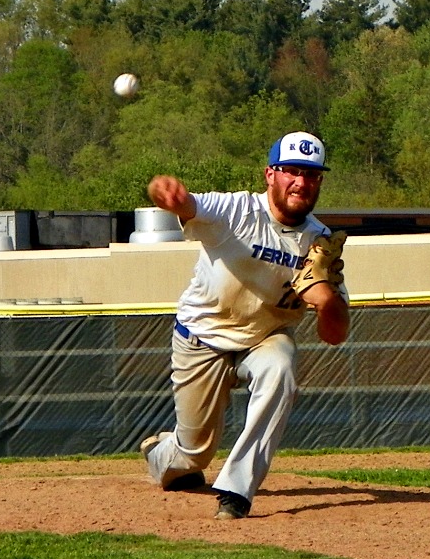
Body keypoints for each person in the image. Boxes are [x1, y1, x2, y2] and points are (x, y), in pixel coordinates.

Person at [141, 131, 350, 520]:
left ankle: (236, 491)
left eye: (312, 174)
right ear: (270, 174)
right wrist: (165, 193)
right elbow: (190, 206)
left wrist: (326, 301)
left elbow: (336, 336)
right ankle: (161, 454)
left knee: (281, 365)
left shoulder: (318, 242)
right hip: (202, 339)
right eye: (291, 171)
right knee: (193, 453)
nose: (301, 182)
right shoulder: (237, 211)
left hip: (264, 339)